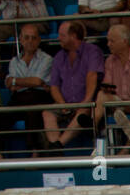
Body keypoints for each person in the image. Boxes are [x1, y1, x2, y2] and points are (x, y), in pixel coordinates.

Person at [41, 19, 104, 149]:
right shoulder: (59, 56)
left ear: (74, 36)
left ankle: (58, 146)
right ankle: (55, 145)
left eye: (62, 35)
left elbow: (92, 76)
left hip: (86, 103)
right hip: (65, 102)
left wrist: (85, 101)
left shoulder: (92, 51)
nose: (58, 38)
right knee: (48, 113)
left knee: (83, 113)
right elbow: (54, 85)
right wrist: (62, 104)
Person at [94, 22, 130, 150]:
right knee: (101, 95)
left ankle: (126, 150)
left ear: (125, 41)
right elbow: (108, 82)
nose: (108, 44)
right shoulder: (109, 60)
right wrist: (106, 87)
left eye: (112, 41)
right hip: (118, 101)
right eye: (108, 41)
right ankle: (94, 131)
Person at [0, 22, 53, 154]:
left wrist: (16, 82)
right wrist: (29, 82)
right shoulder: (14, 61)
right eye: (27, 37)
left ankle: (35, 152)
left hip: (39, 96)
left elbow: (37, 81)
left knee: (33, 111)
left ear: (39, 40)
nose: (30, 41)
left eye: (34, 38)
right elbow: (9, 84)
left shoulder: (47, 59)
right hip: (19, 97)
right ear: (21, 40)